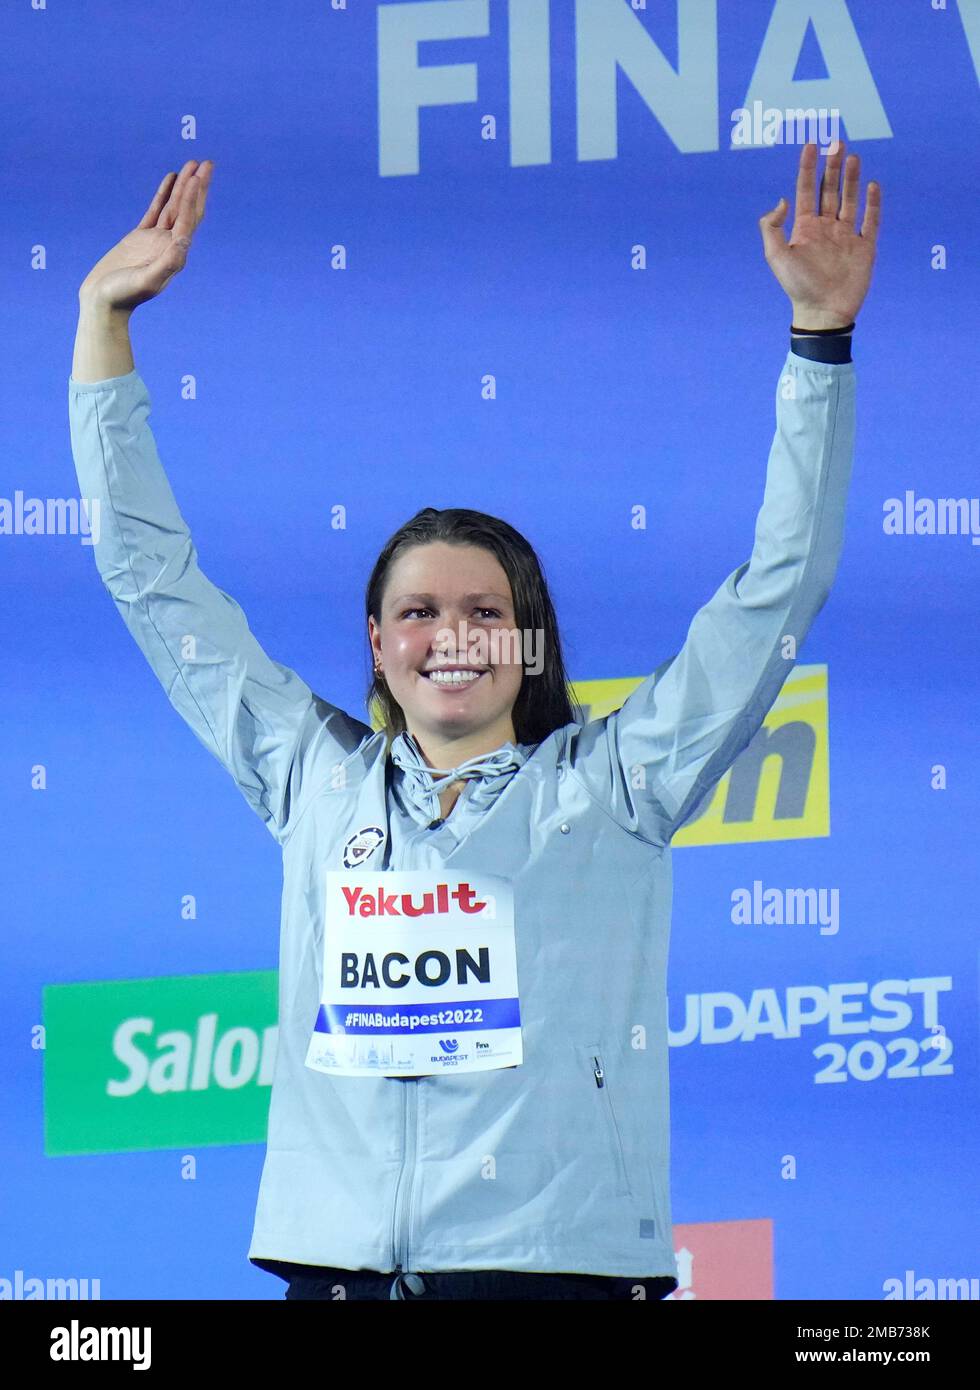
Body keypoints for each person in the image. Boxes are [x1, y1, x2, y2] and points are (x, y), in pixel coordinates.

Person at [68, 146, 880, 1302]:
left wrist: (818, 345)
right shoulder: (310, 776)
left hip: (548, 1275)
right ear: (377, 645)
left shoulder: (614, 787)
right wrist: (104, 323)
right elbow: (150, 578)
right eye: (416, 611)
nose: (449, 634)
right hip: (335, 1269)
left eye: (482, 610)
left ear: (528, 638)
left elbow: (779, 588)